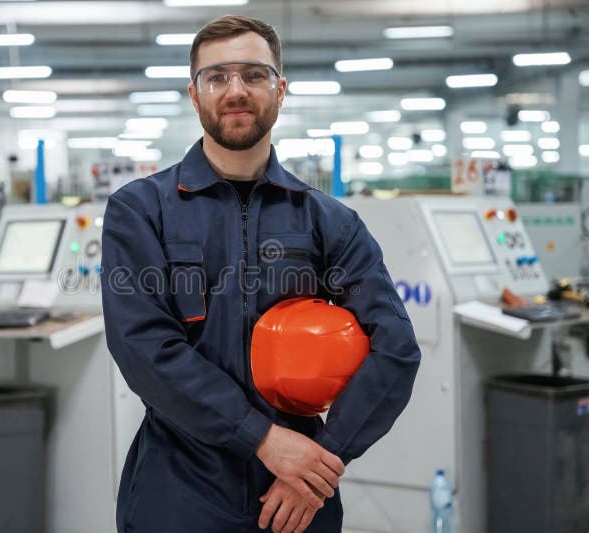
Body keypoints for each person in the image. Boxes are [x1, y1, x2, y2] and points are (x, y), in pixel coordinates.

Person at [101, 14, 420, 533]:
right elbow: (143, 346)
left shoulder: (328, 221)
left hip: (296, 502)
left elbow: (397, 348)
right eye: (217, 77)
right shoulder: (141, 211)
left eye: (254, 75)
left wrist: (320, 462)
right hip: (179, 490)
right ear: (194, 93)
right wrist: (263, 438)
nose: (236, 90)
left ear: (280, 88)